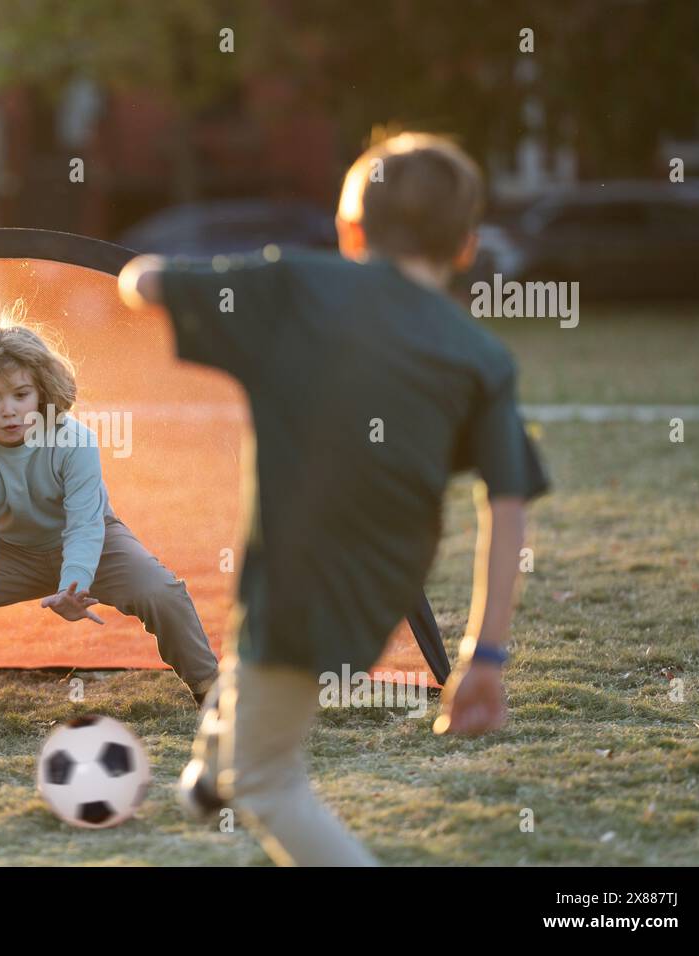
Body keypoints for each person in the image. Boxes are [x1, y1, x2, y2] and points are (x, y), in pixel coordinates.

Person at [117, 132, 550, 865]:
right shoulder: (481, 353)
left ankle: (230, 775)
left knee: (270, 780)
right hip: (379, 596)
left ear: (349, 231)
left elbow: (141, 283)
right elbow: (507, 508)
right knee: (248, 661)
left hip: (299, 587)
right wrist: (487, 654)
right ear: (467, 246)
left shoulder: (294, 286)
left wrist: (151, 273)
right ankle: (208, 778)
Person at [0, 299, 220, 724]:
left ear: (42, 391)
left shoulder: (75, 441)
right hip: (13, 552)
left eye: (20, 394)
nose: (9, 409)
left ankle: (210, 689)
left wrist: (75, 583)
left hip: (94, 543)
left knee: (161, 591)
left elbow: (86, 524)